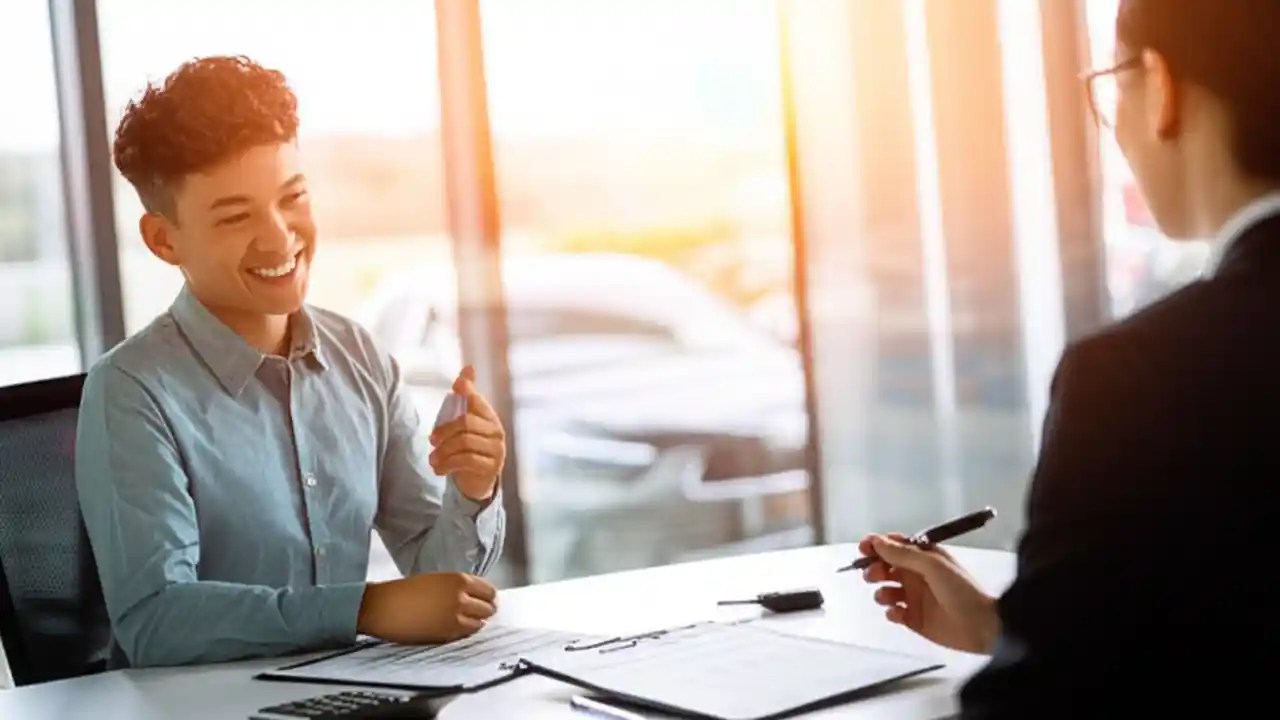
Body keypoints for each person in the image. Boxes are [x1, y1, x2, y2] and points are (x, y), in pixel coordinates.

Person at [859, 1, 1280, 715]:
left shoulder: (1137, 376)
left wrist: (1034, 654)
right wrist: (1011, 629)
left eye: (1109, 82)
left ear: (1161, 86)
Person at [76, 55, 508, 668]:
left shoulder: (361, 358)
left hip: (349, 695)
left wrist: (473, 488)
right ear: (163, 239)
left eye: (293, 197)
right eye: (236, 216)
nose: (279, 237)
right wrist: (361, 610)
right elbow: (155, 619)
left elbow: (435, 585)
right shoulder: (130, 390)